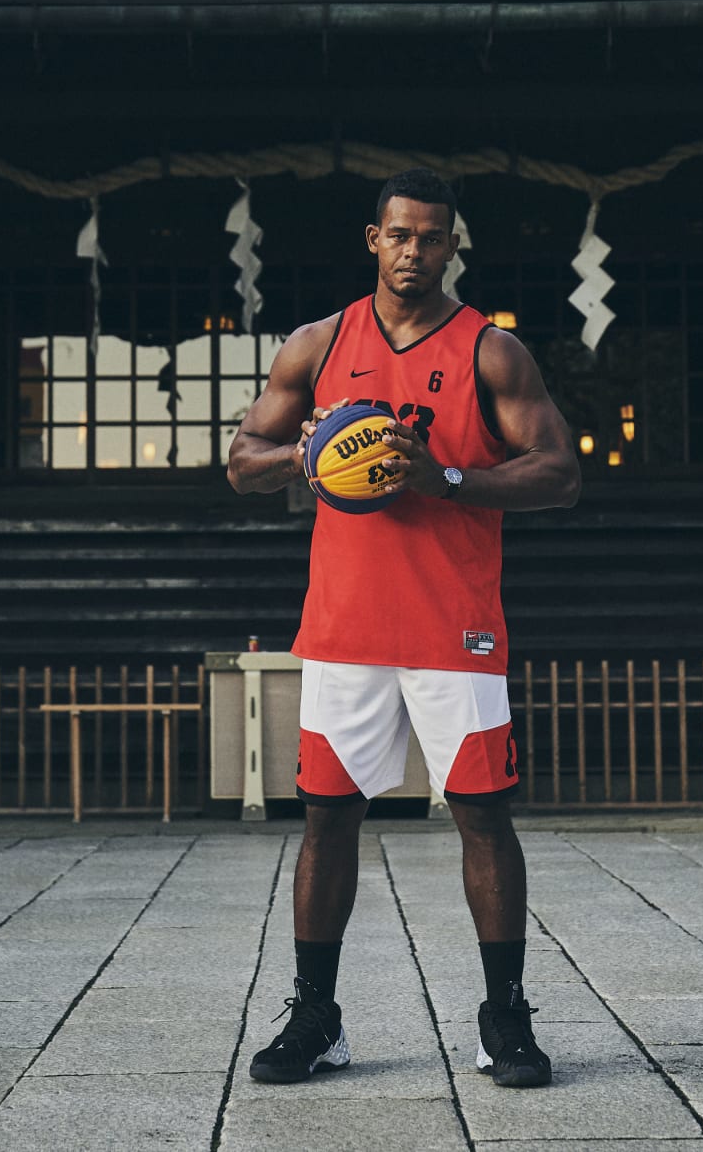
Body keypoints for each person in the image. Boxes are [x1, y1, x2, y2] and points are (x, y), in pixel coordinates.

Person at [226, 167, 582, 1089]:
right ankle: (317, 1017)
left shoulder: (489, 353)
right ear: (372, 238)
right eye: (399, 234)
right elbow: (241, 459)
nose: (414, 250)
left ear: (453, 245)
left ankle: (504, 1019)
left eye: (432, 237)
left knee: (482, 816)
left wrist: (446, 479)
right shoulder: (318, 343)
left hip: (453, 626)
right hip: (344, 627)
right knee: (327, 821)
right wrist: (302, 453)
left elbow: (560, 471)